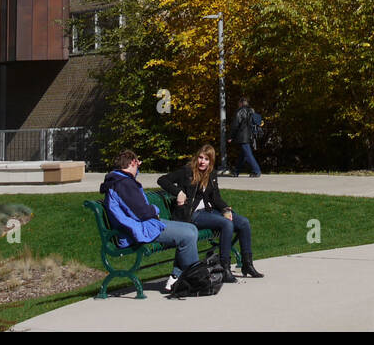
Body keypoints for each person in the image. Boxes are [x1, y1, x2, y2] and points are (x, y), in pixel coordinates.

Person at [100, 149, 200, 293]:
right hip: (136, 230)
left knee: (192, 229)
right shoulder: (123, 183)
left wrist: (152, 213)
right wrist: (155, 210)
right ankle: (194, 280)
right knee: (187, 235)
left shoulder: (121, 180)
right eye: (138, 164)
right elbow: (142, 212)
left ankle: (180, 277)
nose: (138, 168)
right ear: (133, 162)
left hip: (144, 225)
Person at [159, 144, 263, 280]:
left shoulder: (211, 174)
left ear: (211, 161)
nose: (202, 162)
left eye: (206, 159)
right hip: (193, 214)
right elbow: (162, 180)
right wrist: (178, 192)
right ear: (196, 158)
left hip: (209, 211)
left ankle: (247, 264)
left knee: (243, 222)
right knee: (226, 224)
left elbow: (216, 198)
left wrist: (225, 209)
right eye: (201, 158)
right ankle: (224, 268)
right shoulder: (187, 171)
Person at [230, 98, 263, 177]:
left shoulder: (240, 111)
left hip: (242, 136)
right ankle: (236, 171)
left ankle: (256, 170)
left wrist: (231, 136)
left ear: (241, 103)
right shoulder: (252, 111)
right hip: (251, 136)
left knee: (248, 154)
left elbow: (235, 125)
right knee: (243, 154)